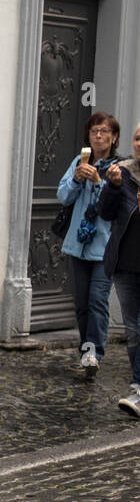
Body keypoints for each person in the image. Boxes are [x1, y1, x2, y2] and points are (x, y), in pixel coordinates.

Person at [57, 112, 122, 377]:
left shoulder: (120, 168)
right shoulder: (79, 161)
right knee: (82, 303)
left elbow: (116, 206)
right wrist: (76, 179)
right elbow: (63, 196)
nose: (99, 136)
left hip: (105, 247)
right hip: (79, 245)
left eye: (105, 131)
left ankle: (95, 352)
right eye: (95, 131)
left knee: (97, 301)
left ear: (114, 137)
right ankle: (86, 352)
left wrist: (99, 182)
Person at [99, 122, 140, 418]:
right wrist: (112, 188)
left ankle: (138, 388)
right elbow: (104, 212)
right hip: (126, 264)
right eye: (138, 138)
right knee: (134, 331)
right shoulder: (122, 173)